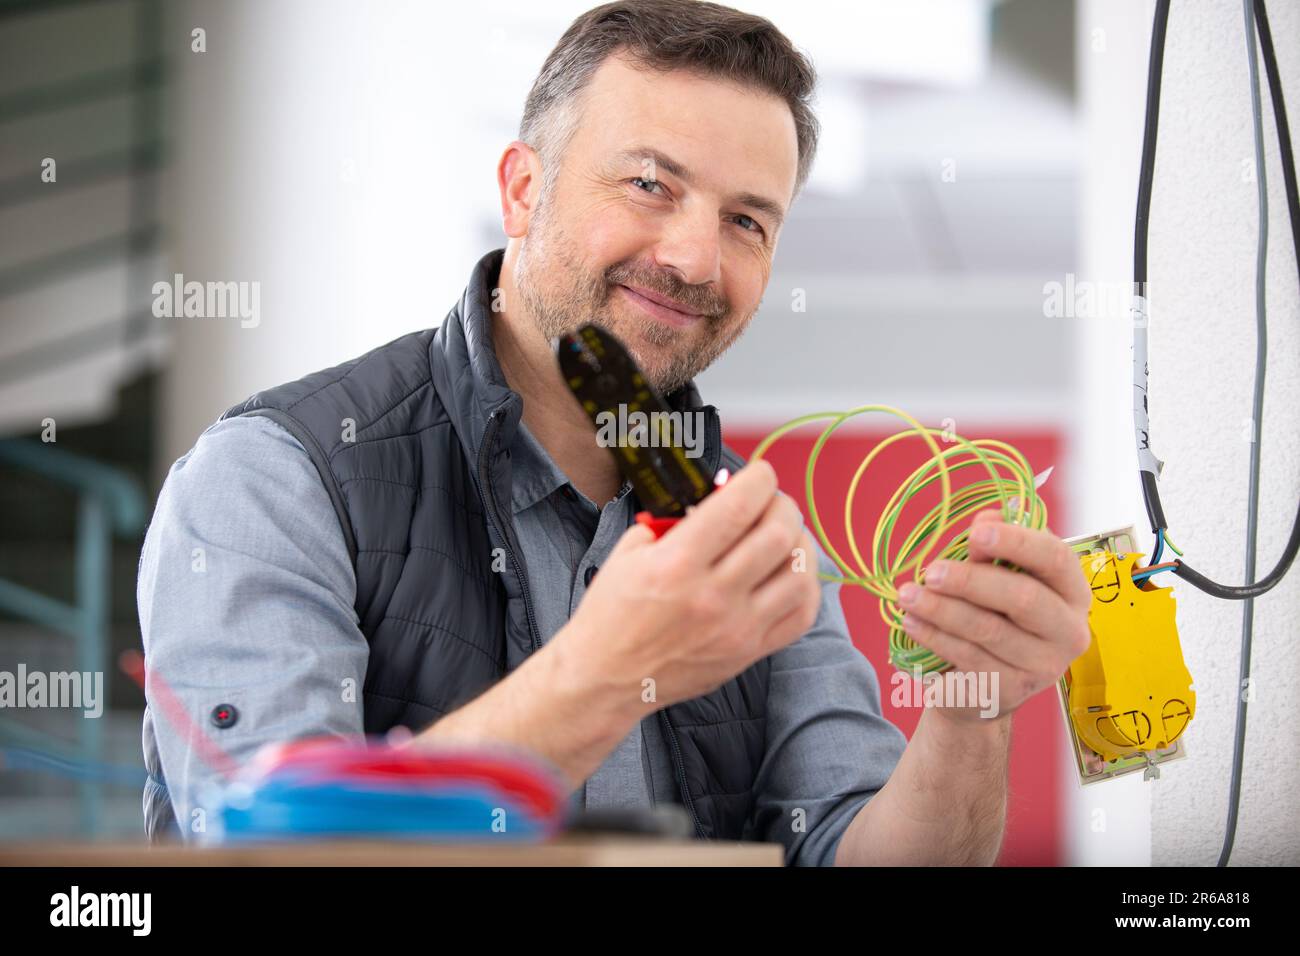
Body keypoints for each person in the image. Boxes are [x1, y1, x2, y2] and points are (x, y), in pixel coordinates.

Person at [138, 0, 1092, 864]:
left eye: (748, 222)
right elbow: (264, 861)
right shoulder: (273, 477)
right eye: (648, 183)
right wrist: (608, 670)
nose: (693, 257)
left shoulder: (757, 535)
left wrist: (976, 703)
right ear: (522, 190)